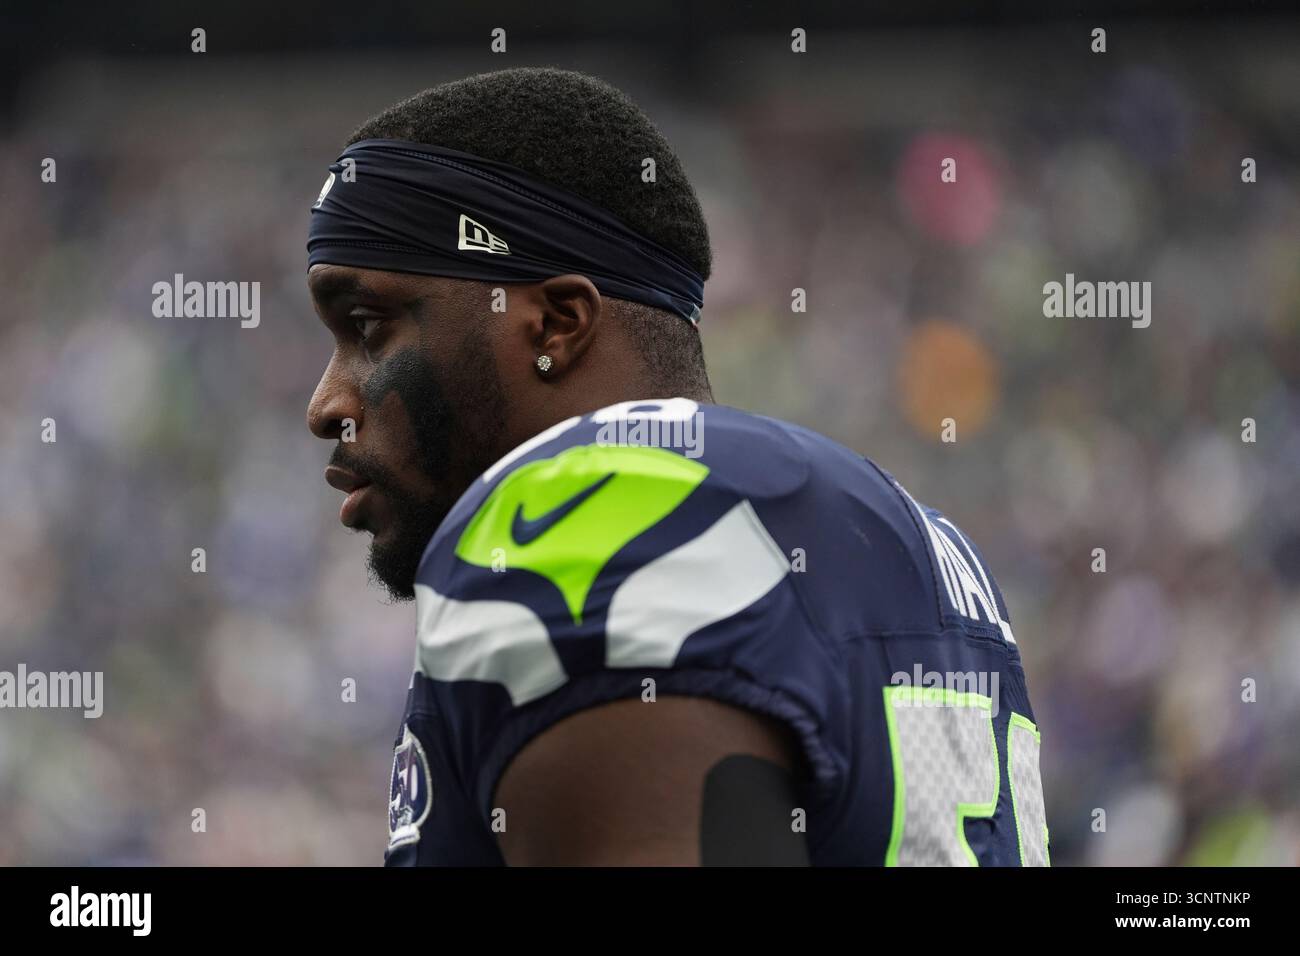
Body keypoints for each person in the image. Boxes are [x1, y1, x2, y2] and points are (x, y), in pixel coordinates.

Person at [305, 67, 1047, 866]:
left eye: (368, 327)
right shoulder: (922, 539)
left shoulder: (591, 513)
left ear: (555, 325)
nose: (325, 404)